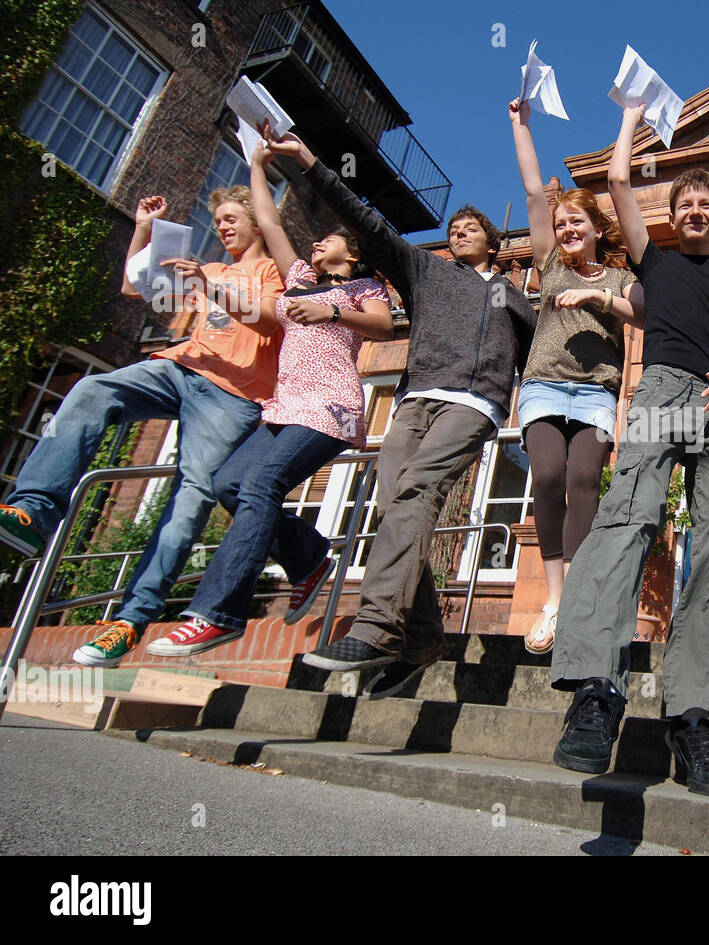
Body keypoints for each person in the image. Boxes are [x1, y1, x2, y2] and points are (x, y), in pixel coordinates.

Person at [548, 104, 709, 798]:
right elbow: (618, 180)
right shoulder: (656, 263)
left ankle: (694, 716)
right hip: (659, 396)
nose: (697, 211)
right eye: (686, 203)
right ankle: (596, 689)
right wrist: (631, 116)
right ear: (674, 216)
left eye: (708, 203)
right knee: (627, 520)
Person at [263, 129, 536, 700]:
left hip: (475, 403)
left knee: (415, 494)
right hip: (415, 400)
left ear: (493, 241)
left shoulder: (513, 296)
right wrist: (309, 161)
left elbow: (545, 353)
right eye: (454, 229)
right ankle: (422, 638)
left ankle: (376, 627)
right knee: (394, 509)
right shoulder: (424, 271)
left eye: (471, 229)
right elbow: (366, 219)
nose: (459, 233)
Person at [0, 190, 284, 667]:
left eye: (232, 218)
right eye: (217, 221)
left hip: (234, 394)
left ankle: (131, 618)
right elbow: (138, 288)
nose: (222, 227)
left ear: (258, 223)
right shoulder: (209, 272)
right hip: (179, 368)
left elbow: (271, 317)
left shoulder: (274, 271)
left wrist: (211, 287)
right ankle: (34, 512)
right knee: (92, 392)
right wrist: (143, 230)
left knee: (193, 494)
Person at [145, 141, 394, 658]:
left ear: (352, 254)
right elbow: (271, 223)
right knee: (228, 483)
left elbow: (385, 326)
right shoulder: (301, 278)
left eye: (331, 239)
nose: (319, 240)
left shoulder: (363, 289)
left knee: (260, 483)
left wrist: (333, 315)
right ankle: (309, 558)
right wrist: (258, 165)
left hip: (330, 406)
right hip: (285, 406)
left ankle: (217, 613)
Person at [508, 97, 644, 654]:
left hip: (595, 393)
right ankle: (556, 601)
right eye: (561, 223)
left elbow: (644, 314)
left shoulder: (619, 274)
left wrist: (597, 296)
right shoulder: (550, 265)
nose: (564, 228)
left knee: (585, 480)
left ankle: (580, 598)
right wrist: (521, 126)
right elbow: (536, 192)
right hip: (542, 386)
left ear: (594, 228)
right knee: (546, 477)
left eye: (575, 222)